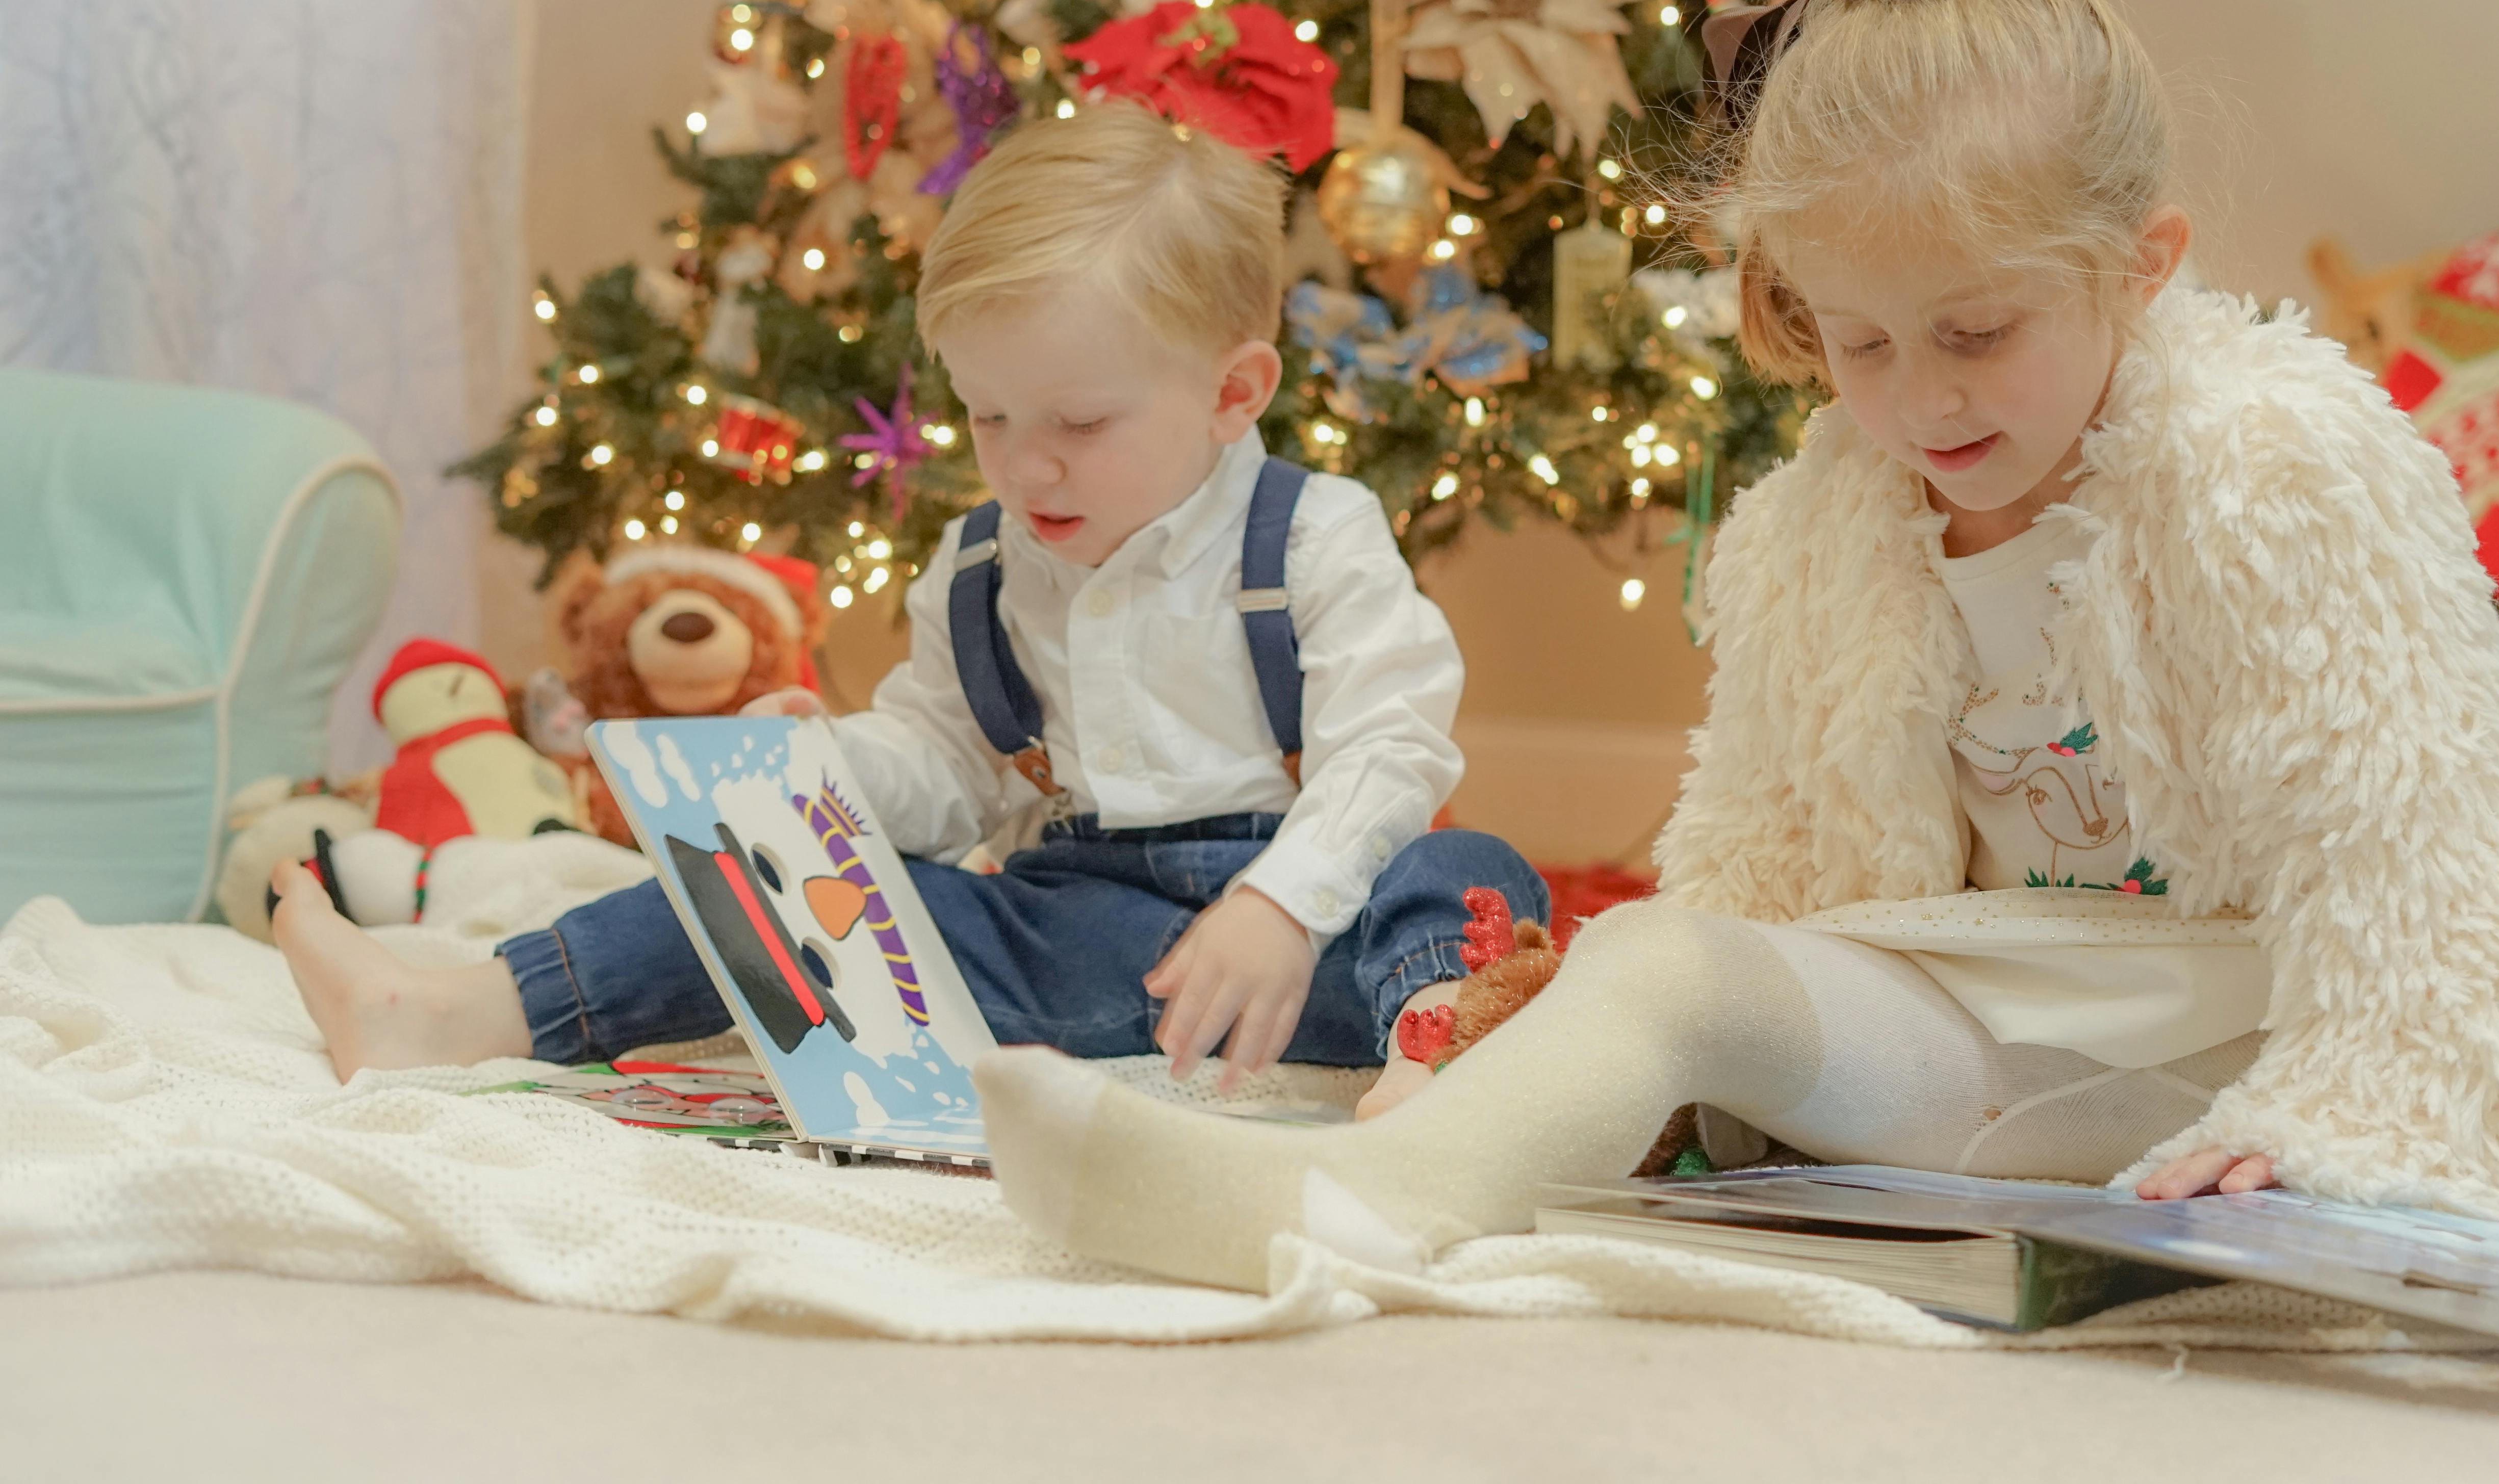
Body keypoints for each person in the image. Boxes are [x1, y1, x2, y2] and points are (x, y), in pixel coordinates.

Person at [967, 0, 2499, 1295]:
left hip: (2310, 998)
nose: (1914, 403)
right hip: (2009, 1030)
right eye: (1850, 344)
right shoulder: (1824, 524)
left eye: (1977, 335)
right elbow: (1769, 851)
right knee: (1662, 960)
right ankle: (1338, 1208)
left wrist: (2359, 1111)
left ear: (2137, 268)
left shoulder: (2278, 465)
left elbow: (2426, 843)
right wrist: (1657, 1048)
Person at [271, 98, 1545, 1117]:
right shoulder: (986, 562)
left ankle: (1430, 1082)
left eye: (1080, 422)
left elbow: (1391, 742)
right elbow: (950, 762)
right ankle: (459, 1013)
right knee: (781, 886)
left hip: (1310, 935)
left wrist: (1279, 904)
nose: (1024, 460)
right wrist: (825, 765)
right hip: (1078, 929)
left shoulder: (1314, 534)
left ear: (1232, 391)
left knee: (1466, 872)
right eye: (988, 414)